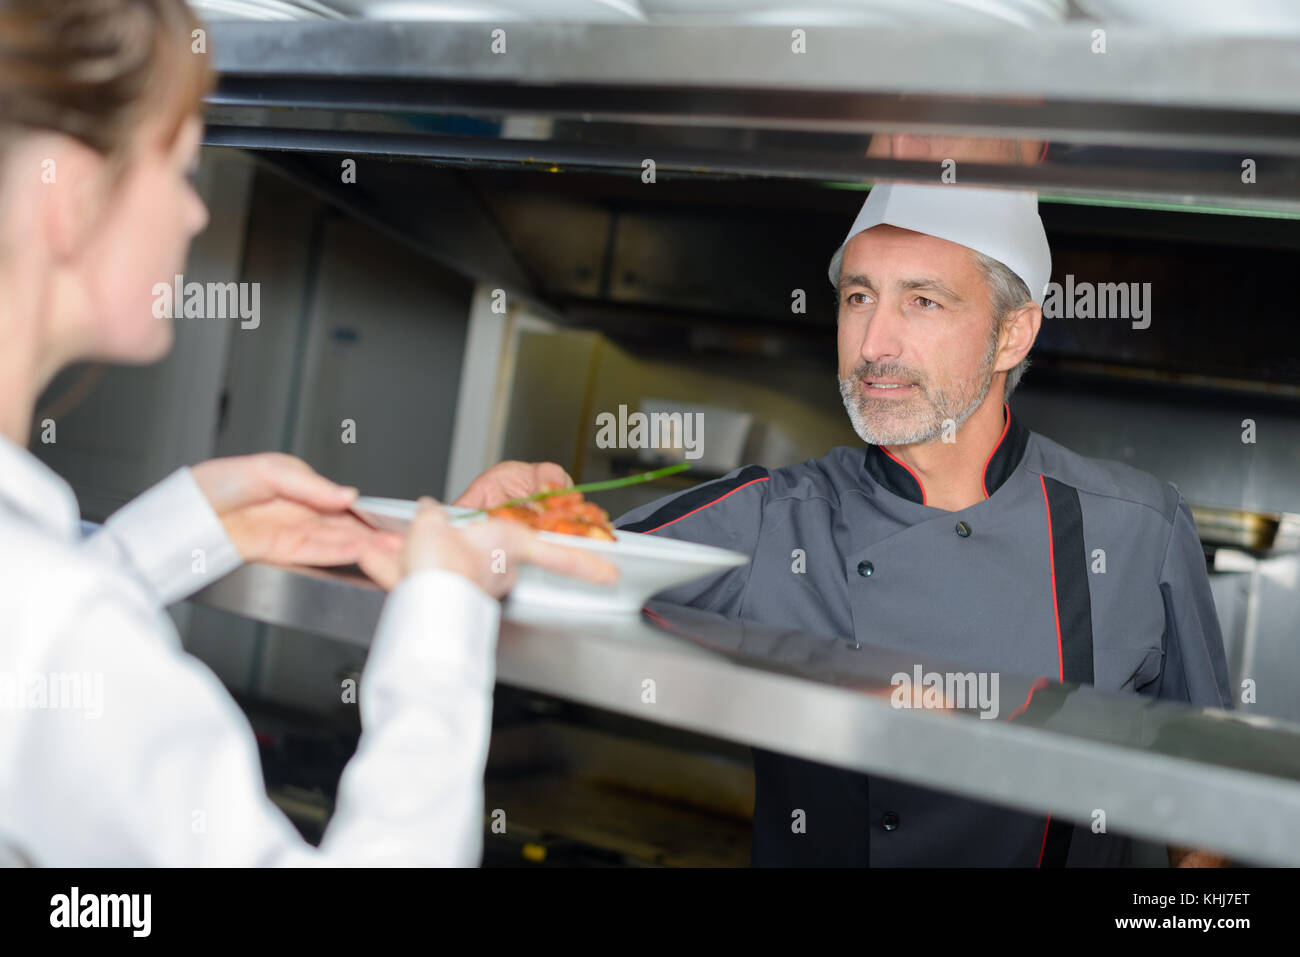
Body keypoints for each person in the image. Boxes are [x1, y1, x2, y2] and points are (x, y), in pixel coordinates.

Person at [0, 0, 614, 866]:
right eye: (176, 166)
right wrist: (444, 616)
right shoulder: (60, 623)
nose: (194, 214)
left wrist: (180, 528)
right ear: (65, 195)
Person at [615, 182, 1233, 867]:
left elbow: (1209, 806)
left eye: (922, 300)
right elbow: (546, 568)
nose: (875, 342)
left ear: (1011, 334)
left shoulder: (1140, 529)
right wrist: (509, 517)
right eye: (858, 297)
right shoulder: (771, 519)